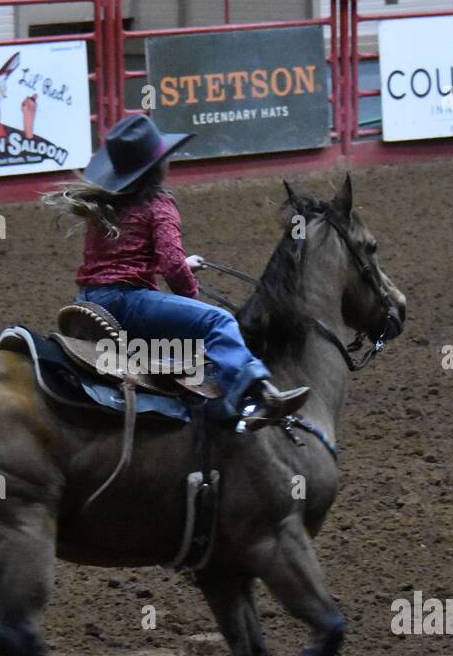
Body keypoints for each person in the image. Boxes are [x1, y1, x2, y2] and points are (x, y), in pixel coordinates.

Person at [45, 113, 310, 429]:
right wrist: (192, 296)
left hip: (92, 299)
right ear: (158, 165)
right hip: (125, 302)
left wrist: (185, 265)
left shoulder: (106, 204)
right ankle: (253, 396)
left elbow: (124, 258)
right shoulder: (158, 204)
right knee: (218, 321)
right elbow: (171, 266)